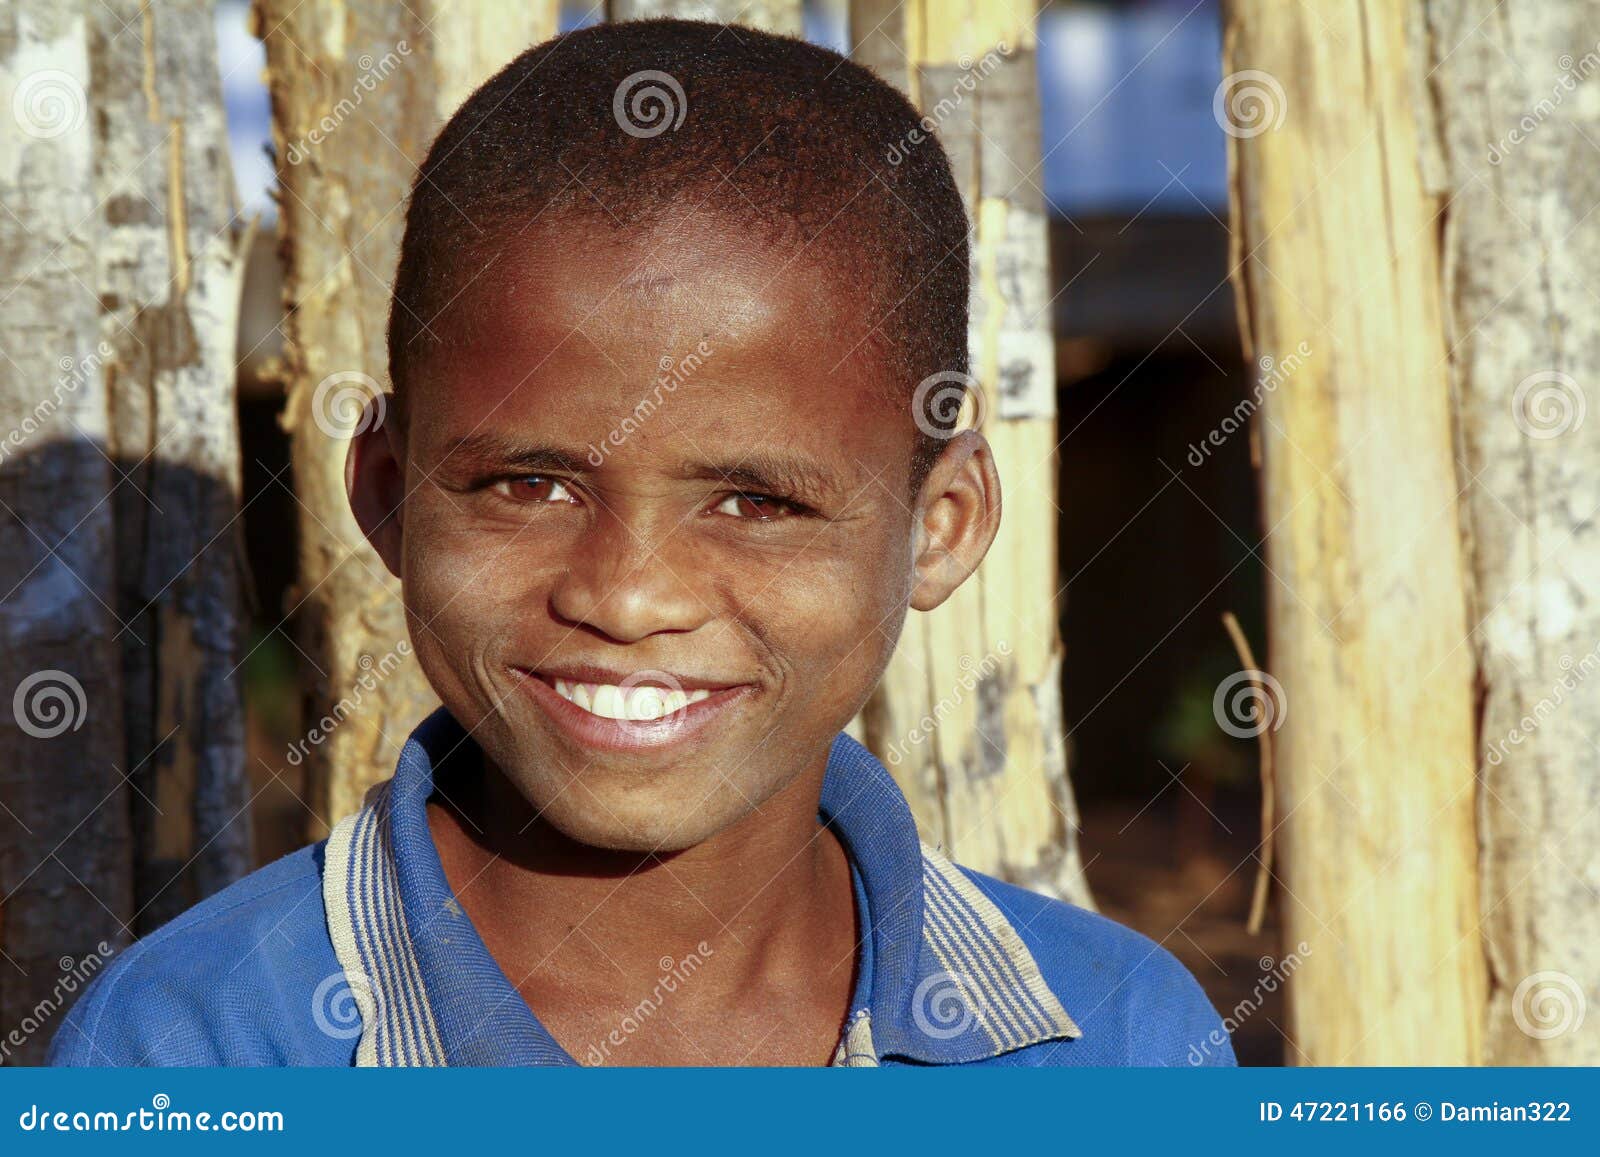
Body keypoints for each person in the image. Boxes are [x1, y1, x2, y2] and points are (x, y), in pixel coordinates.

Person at [50, 17, 1233, 1068]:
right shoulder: (195, 1051)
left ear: (943, 524)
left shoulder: (1116, 1044)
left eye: (757, 503)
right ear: (386, 490)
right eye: (527, 482)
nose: (626, 596)